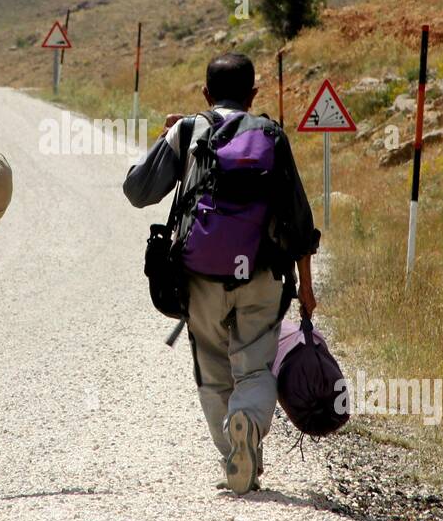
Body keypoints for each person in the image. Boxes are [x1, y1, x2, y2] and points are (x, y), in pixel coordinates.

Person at [123, 53, 320, 495]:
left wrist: (166, 137)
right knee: (253, 367)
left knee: (213, 372)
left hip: (200, 276)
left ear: (206, 94)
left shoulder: (189, 130)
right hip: (263, 274)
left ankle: (235, 453)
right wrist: (306, 287)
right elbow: (301, 222)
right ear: (253, 95)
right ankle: (247, 423)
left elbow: (137, 191)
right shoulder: (271, 135)